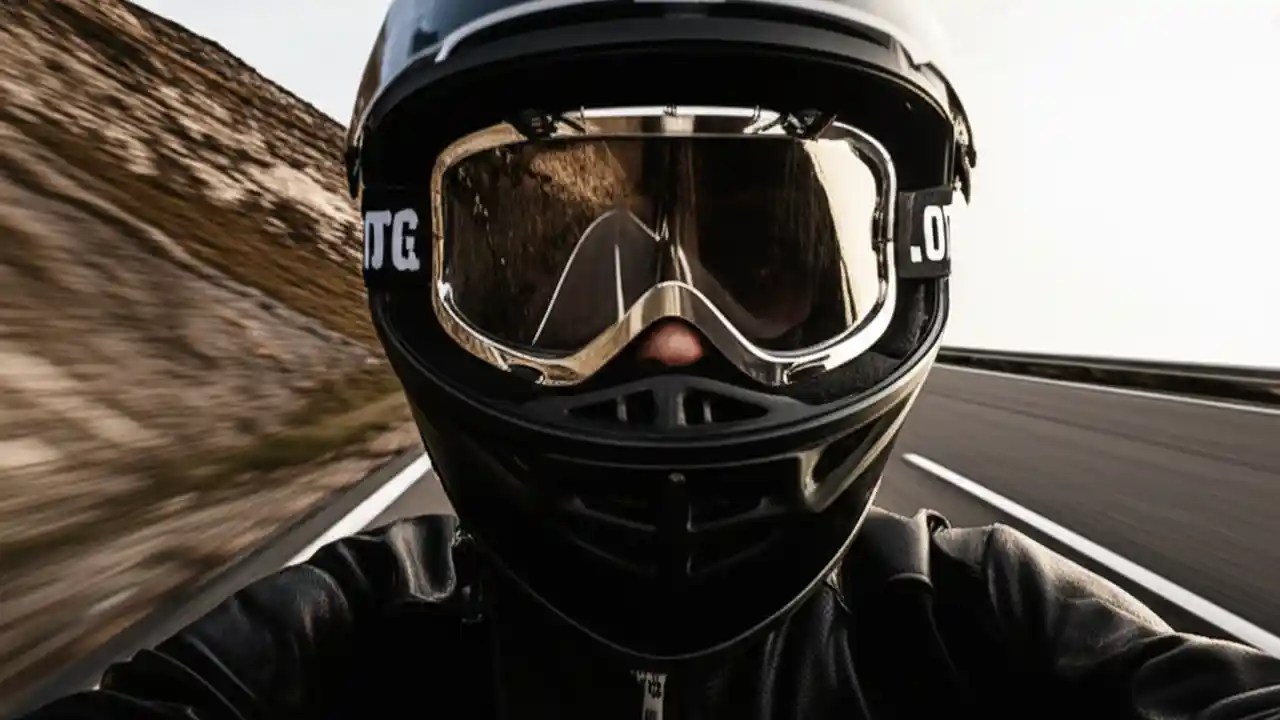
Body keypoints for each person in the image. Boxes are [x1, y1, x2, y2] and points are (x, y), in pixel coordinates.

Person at [22, 1, 1280, 718]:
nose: (672, 338)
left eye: (762, 262)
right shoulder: (328, 638)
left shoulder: (983, 621)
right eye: (560, 271)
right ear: (414, 267)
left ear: (897, 266)